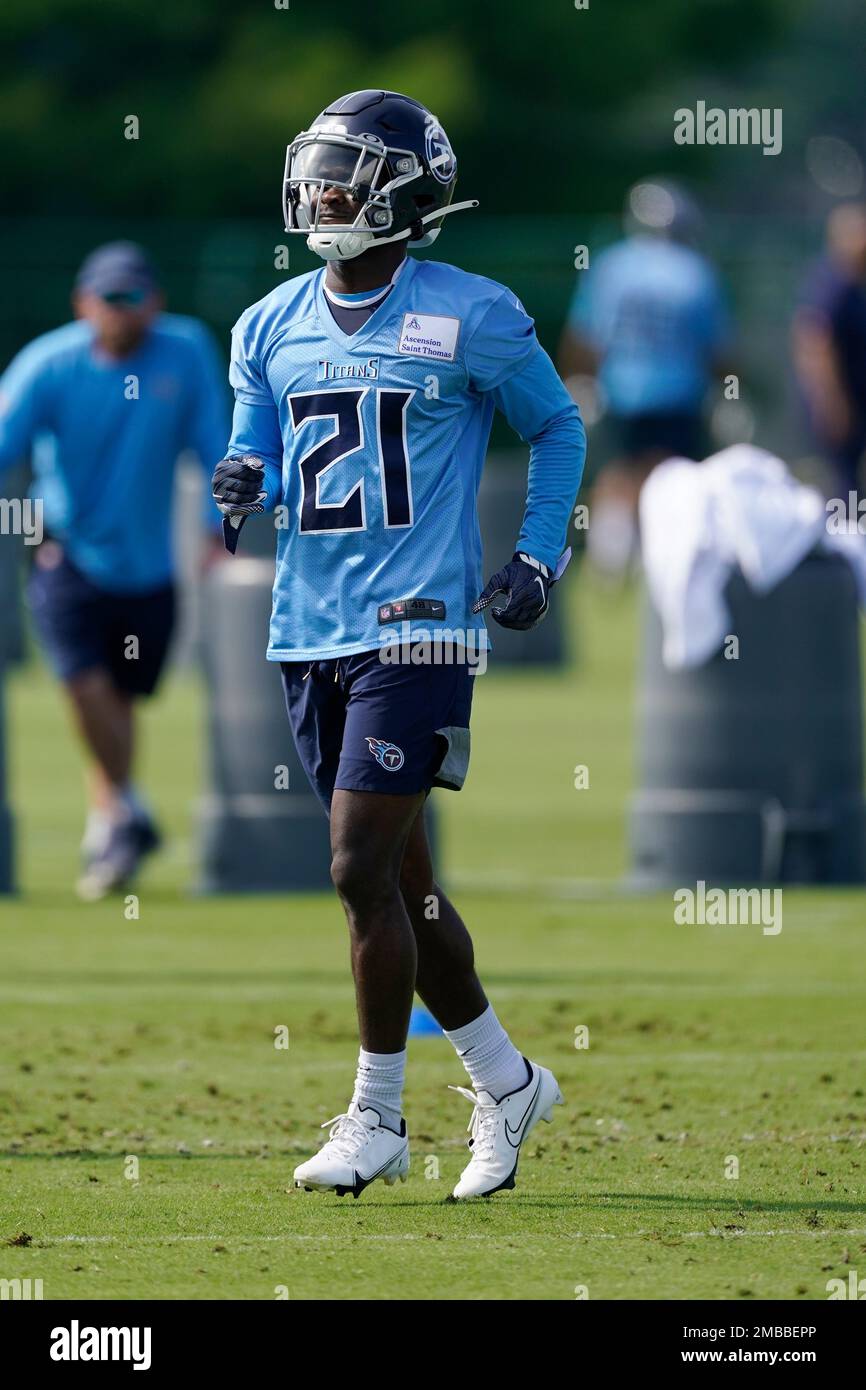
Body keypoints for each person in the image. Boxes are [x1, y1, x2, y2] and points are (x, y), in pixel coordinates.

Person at [212, 90, 585, 1200]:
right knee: (404, 889)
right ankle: (507, 1079)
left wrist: (535, 556)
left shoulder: (470, 311)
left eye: (346, 170)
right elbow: (261, 452)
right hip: (306, 627)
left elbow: (557, 426)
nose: (322, 189)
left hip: (417, 631)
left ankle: (376, 1116)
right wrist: (244, 480)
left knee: (354, 866)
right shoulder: (267, 321)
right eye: (318, 168)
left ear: (404, 190)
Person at [0, 242, 229, 899]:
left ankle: (115, 821)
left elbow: (215, 442)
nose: (121, 311)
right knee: (82, 684)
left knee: (120, 699)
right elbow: (4, 442)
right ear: (83, 303)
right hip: (64, 551)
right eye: (109, 298)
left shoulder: (185, 351)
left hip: (150, 564)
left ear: (154, 300)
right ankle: (123, 813)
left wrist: (219, 526)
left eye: (134, 297)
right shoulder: (49, 362)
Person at [559, 178, 732, 577]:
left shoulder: (611, 265)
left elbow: (583, 338)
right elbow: (718, 350)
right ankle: (667, 560)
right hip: (679, 395)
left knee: (620, 473)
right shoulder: (697, 271)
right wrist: (732, 390)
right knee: (675, 477)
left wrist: (575, 384)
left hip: (621, 390)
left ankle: (610, 564)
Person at [792, 203, 866, 508]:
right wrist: (831, 402)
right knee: (843, 482)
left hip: (856, 398)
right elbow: (814, 345)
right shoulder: (831, 285)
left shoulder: (854, 282)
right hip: (841, 402)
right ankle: (846, 545)